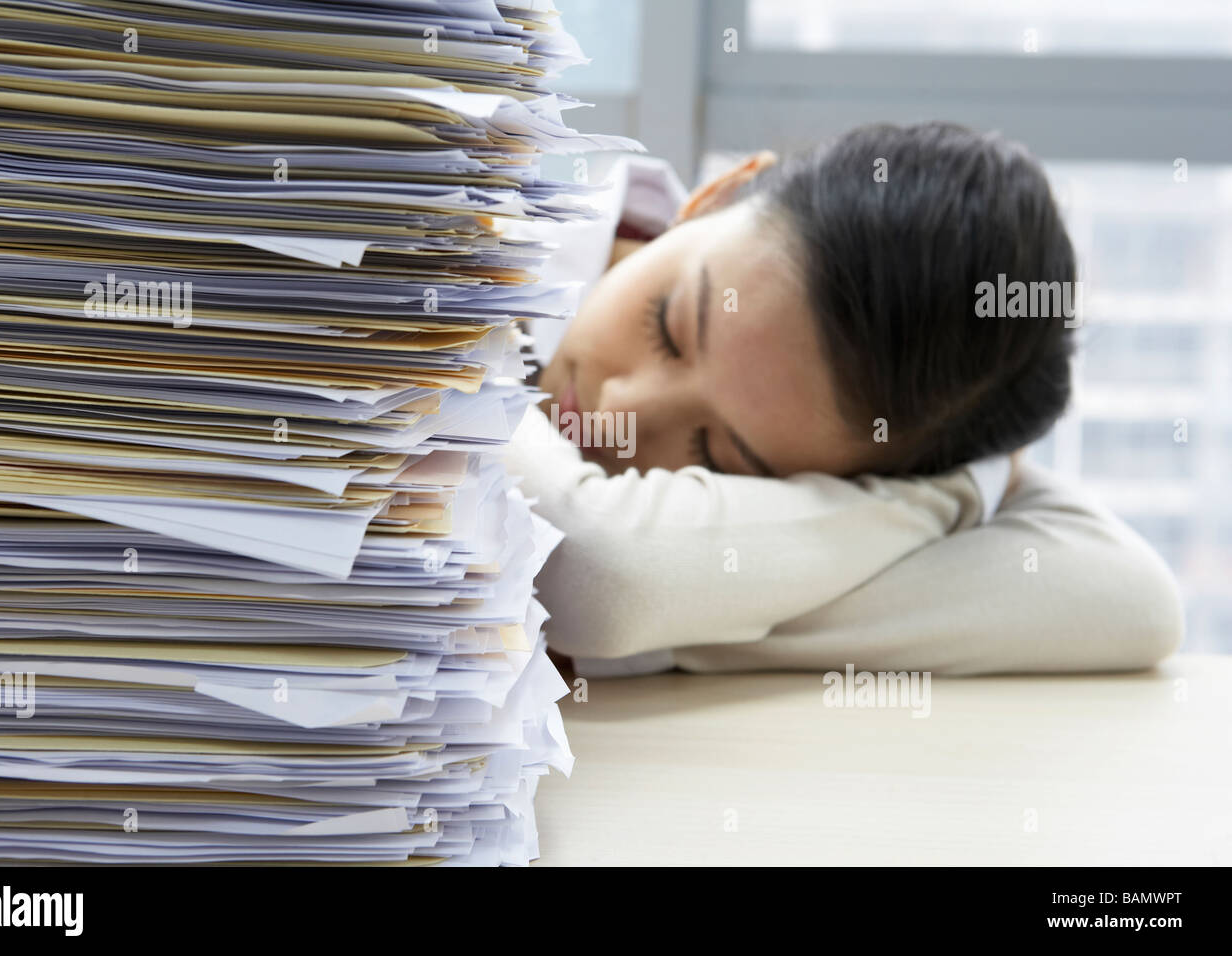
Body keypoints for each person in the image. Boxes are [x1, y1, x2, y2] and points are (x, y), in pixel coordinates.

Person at [504, 122, 1184, 677]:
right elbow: (595, 576)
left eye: (715, 453)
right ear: (717, 194)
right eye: (670, 326)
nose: (623, 410)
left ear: (833, 487)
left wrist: (923, 493)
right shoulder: (449, 250)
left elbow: (1131, 602)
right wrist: (711, 608)